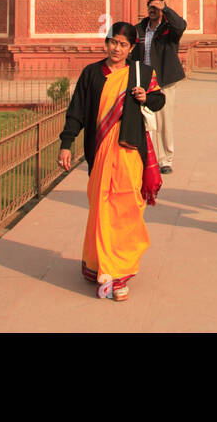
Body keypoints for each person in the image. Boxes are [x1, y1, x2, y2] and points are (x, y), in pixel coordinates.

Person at [58, 22, 166, 300]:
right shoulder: (92, 73)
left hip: (131, 150)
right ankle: (104, 268)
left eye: (122, 44)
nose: (116, 49)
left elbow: (158, 100)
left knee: (128, 207)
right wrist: (66, 144)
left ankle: (118, 272)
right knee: (102, 210)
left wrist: (146, 96)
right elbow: (77, 111)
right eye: (112, 42)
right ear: (106, 43)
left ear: (132, 48)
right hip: (101, 151)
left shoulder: (141, 73)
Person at [135, 0, 187, 174]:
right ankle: (143, 157)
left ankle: (165, 160)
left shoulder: (168, 29)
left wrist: (165, 9)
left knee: (164, 122)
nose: (152, 10)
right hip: (143, 80)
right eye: (150, 7)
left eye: (156, 8)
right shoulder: (140, 29)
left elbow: (181, 25)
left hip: (163, 80)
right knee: (143, 120)